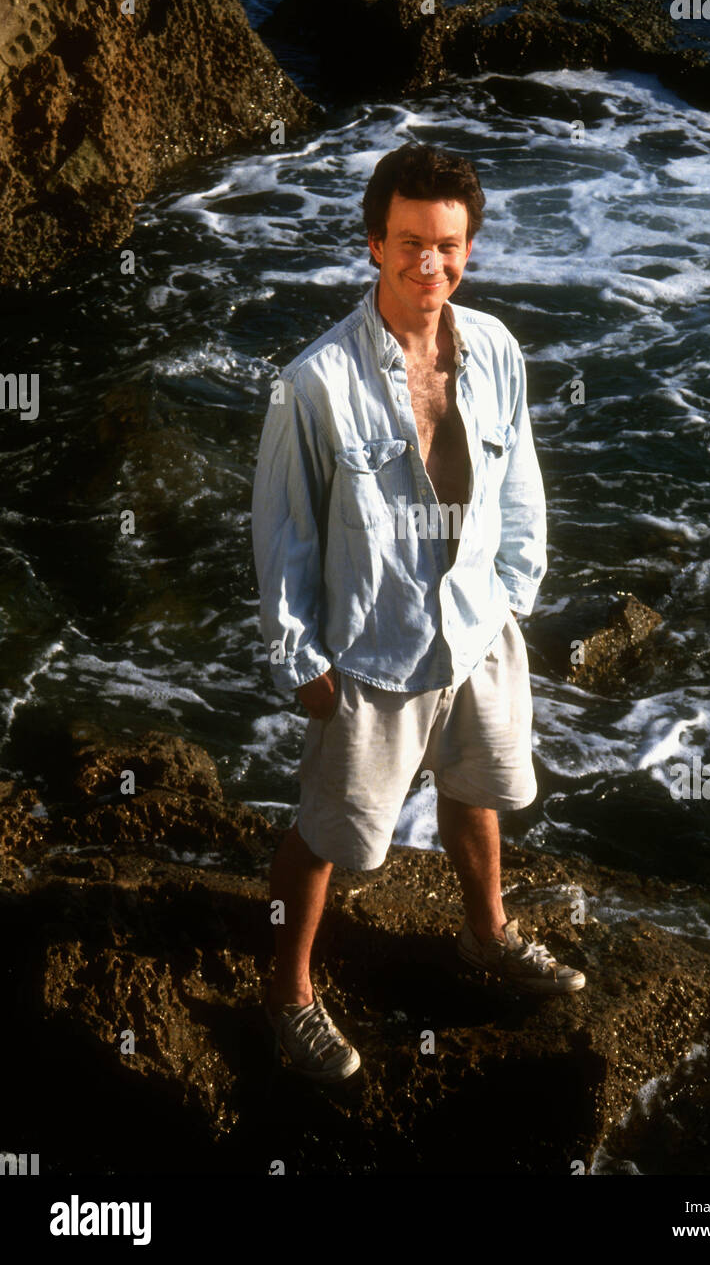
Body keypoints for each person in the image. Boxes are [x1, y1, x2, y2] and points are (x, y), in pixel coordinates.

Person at [251, 143, 585, 1083]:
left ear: (467, 250)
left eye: (445, 245)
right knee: (327, 835)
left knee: (476, 791)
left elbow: (520, 482)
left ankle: (487, 934)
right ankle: (288, 995)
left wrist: (513, 594)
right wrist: (297, 653)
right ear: (373, 245)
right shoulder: (314, 382)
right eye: (408, 243)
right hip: (373, 649)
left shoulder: (496, 352)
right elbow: (283, 531)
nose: (426, 264)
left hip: (478, 630)